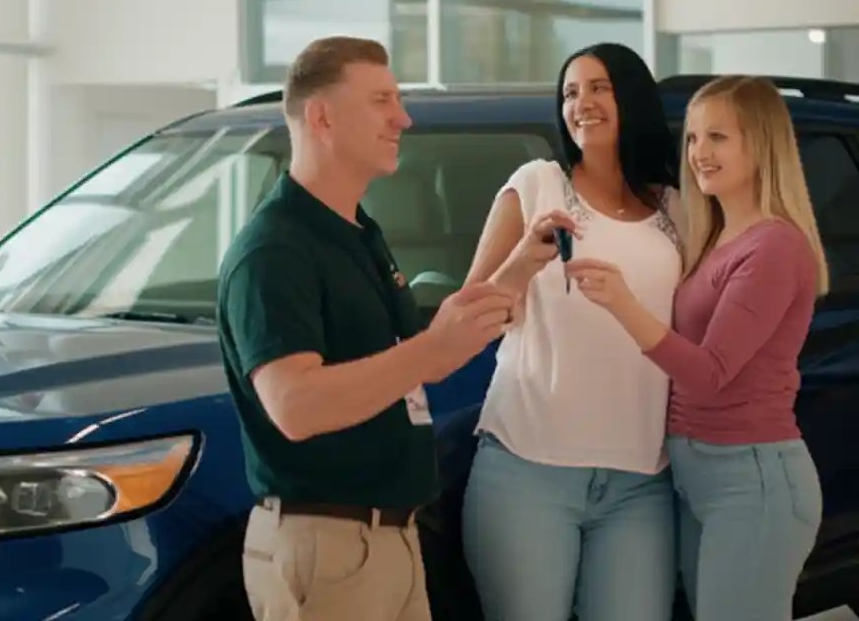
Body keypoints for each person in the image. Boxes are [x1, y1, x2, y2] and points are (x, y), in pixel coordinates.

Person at [216, 36, 516, 621]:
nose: (403, 119)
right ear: (321, 117)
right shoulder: (275, 251)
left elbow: (406, 361)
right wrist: (432, 350)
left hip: (389, 540)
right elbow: (295, 406)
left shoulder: (357, 233)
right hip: (328, 546)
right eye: (382, 100)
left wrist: (519, 269)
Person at [566, 75, 828, 621]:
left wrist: (621, 303)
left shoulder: (774, 246)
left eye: (718, 138)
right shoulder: (716, 238)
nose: (699, 153)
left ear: (762, 144)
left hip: (752, 479)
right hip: (699, 474)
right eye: (692, 138)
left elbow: (709, 374)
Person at [458, 42, 683, 621]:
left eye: (599, 87)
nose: (582, 103)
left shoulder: (674, 207)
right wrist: (523, 260)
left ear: (631, 97)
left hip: (642, 477)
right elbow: (468, 318)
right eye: (570, 92)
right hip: (527, 469)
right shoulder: (537, 184)